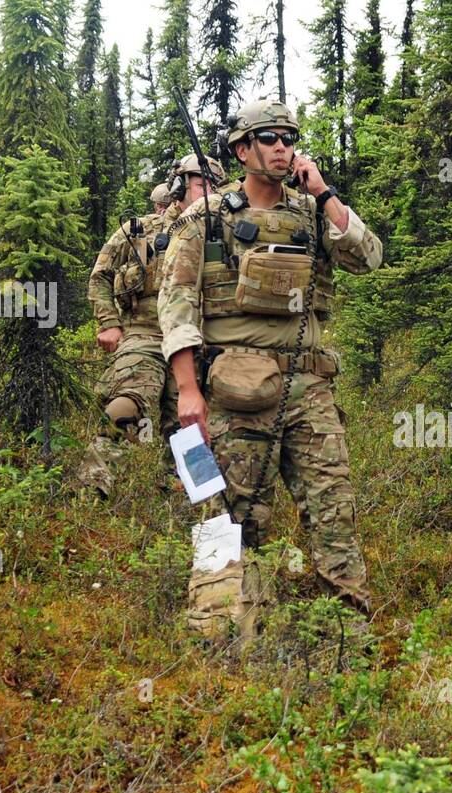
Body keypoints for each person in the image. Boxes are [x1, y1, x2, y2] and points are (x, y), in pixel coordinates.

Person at [158, 100, 382, 642]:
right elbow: (178, 306)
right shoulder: (206, 219)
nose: (282, 147)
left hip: (308, 386)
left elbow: (368, 257)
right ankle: (219, 632)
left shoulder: (311, 213)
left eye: (288, 138)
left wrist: (324, 193)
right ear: (242, 149)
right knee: (229, 515)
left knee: (334, 508)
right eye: (268, 138)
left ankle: (350, 639)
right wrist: (188, 391)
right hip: (235, 387)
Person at [78, 176, 197, 497]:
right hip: (144, 333)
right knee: (127, 404)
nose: (210, 192)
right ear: (180, 189)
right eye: (202, 184)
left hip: (194, 340)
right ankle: (90, 489)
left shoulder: (220, 232)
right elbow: (100, 275)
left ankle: (183, 504)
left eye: (216, 185)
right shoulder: (138, 230)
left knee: (191, 428)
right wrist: (108, 322)